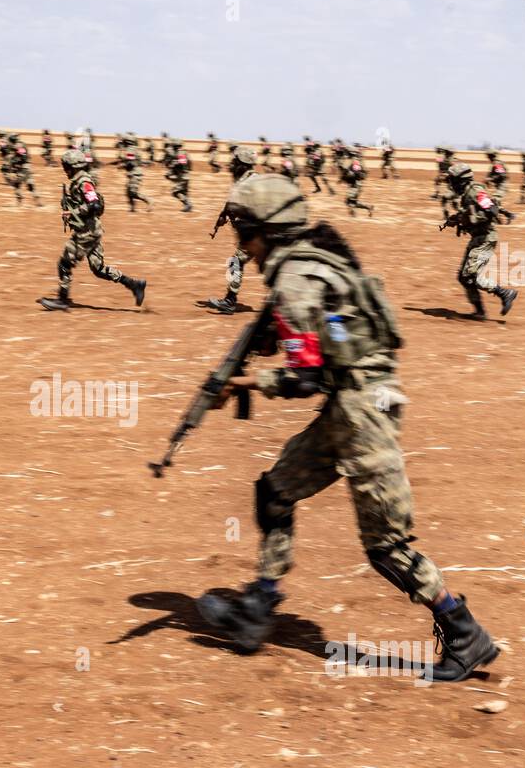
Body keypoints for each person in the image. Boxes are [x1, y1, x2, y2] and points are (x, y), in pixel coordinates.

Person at [193, 174, 501, 681]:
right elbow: (326, 341)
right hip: (351, 406)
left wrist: (251, 382)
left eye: (242, 232)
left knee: (386, 546)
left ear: (262, 231)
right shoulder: (314, 264)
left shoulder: (295, 278)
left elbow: (304, 378)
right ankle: (258, 610)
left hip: (363, 417)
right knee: (275, 491)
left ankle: (466, 634)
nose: (240, 245)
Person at [37, 149, 146, 311]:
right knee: (99, 269)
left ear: (74, 166)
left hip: (86, 232)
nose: (65, 170)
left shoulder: (84, 182)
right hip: (91, 230)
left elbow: (93, 204)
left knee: (64, 263)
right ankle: (134, 285)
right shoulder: (79, 180)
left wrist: (73, 212)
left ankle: (62, 299)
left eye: (66, 166)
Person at [442, 163, 518, 319]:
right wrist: (458, 219)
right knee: (463, 278)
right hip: (478, 238)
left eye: (453, 180)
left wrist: (470, 218)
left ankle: (504, 293)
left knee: (470, 276)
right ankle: (479, 312)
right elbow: (475, 210)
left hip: (485, 239)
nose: (451, 184)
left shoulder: (475, 191)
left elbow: (490, 208)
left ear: (461, 181)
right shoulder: (467, 193)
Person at [205, 146, 264, 315]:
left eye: (235, 161)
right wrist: (224, 214)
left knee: (236, 261)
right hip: (259, 233)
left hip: (261, 233)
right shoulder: (245, 179)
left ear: (243, 164)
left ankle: (230, 301)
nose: (232, 164)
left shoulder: (251, 182)